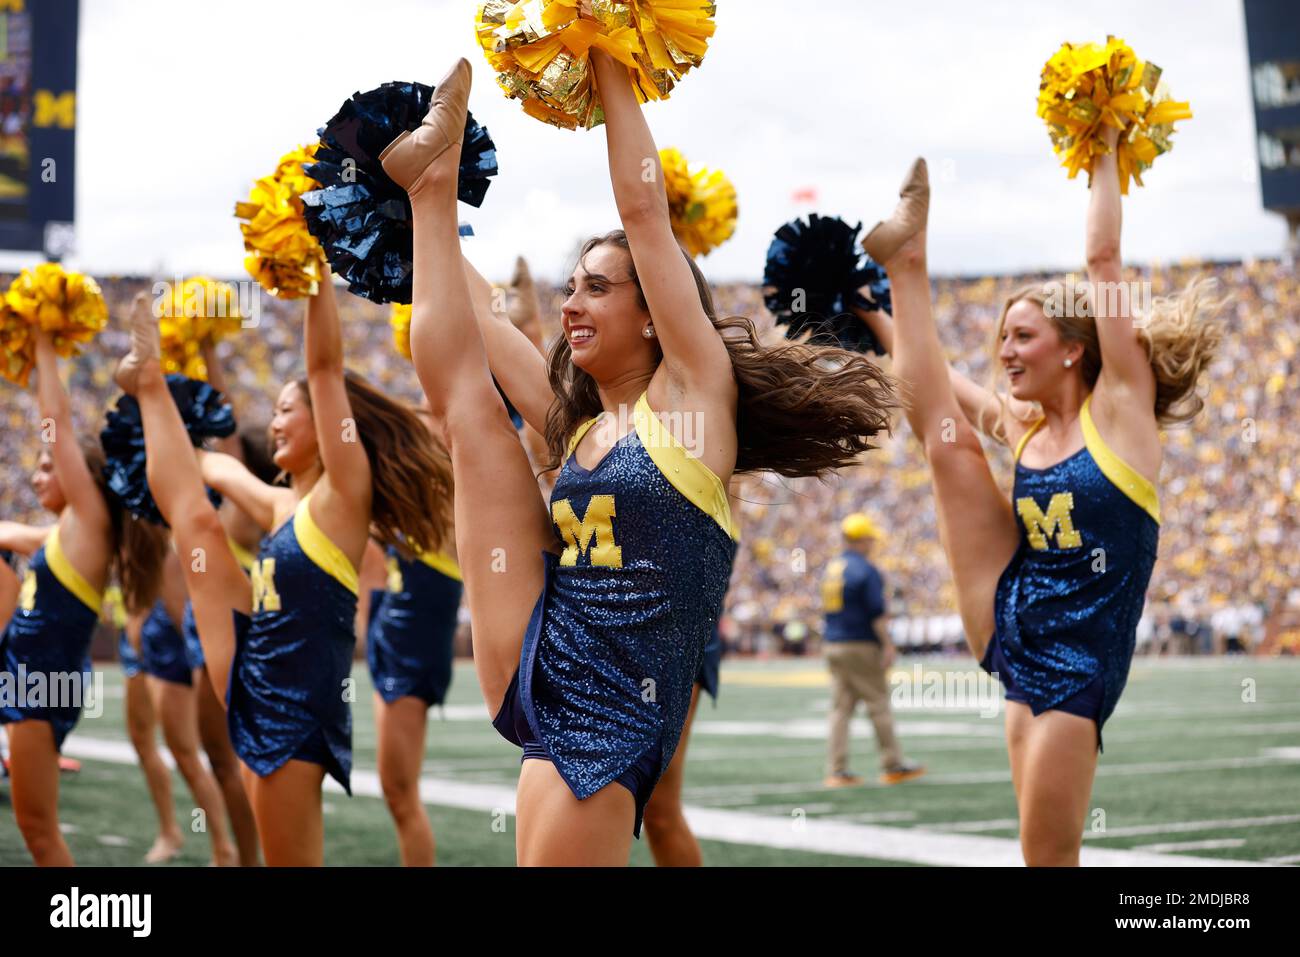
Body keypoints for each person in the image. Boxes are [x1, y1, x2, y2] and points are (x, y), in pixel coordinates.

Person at [382, 49, 894, 865]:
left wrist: (608, 54)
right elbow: (476, 315)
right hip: (545, 667)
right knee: (467, 410)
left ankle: (432, 191)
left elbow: (643, 211)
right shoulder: (576, 424)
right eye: (570, 285)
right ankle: (430, 190)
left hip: (619, 713)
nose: (570, 305)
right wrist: (407, 216)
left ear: (656, 312)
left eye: (595, 288)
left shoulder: (694, 398)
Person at [863, 130, 1222, 864]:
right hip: (1011, 623)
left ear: (1073, 347)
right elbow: (937, 384)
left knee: (1046, 857)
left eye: (1022, 336)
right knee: (945, 437)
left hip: (1078, 661)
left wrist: (1104, 140)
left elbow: (1102, 260)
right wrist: (869, 311)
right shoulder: (1024, 422)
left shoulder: (1120, 410)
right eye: (1002, 338)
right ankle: (908, 265)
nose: (1004, 352)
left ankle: (909, 263)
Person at [114, 278, 451, 866]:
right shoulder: (278, 504)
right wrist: (156, 398)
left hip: (295, 709)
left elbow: (323, 368)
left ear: (324, 426)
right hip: (251, 670)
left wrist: (313, 271)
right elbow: (203, 464)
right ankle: (147, 383)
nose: (273, 422)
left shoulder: (343, 499)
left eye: (285, 411)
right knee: (194, 519)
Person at [0, 330, 167, 865]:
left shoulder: (87, 520)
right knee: (37, 827)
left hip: (41, 679)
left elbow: (56, 423)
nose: (39, 473)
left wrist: (44, 342)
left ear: (86, 479)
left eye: (52, 467)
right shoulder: (64, 536)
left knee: (38, 830)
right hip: (34, 674)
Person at [363, 401, 462, 867]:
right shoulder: (402, 507)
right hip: (391, 643)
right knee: (393, 788)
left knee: (401, 792)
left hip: (414, 653)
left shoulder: (446, 491)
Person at [821, 512, 923, 787]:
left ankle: (837, 769)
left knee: (840, 709)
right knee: (878, 703)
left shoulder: (832, 568)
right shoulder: (866, 569)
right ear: (862, 539)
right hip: (860, 643)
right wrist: (888, 645)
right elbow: (877, 614)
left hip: (833, 643)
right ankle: (893, 764)